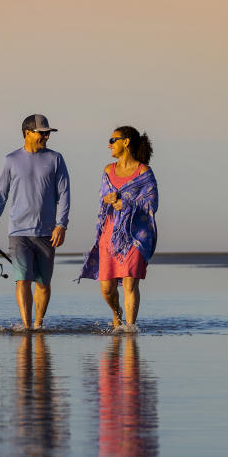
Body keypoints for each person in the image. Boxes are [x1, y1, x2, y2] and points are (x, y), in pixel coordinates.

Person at [0, 114, 70, 330]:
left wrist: (62, 224)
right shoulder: (11, 160)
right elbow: (0, 193)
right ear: (27, 133)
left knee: (43, 283)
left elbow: (65, 193)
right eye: (42, 133)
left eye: (48, 133)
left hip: (47, 232)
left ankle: (38, 325)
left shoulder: (55, 158)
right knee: (23, 280)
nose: (46, 137)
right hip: (19, 231)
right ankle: (27, 326)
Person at [77, 126, 158, 332]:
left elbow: (152, 203)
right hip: (109, 235)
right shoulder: (108, 170)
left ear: (126, 142)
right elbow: (102, 197)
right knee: (107, 288)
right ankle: (116, 313)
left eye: (113, 140)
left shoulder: (144, 172)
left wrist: (127, 203)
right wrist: (108, 198)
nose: (109, 144)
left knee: (130, 284)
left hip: (134, 235)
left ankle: (130, 329)